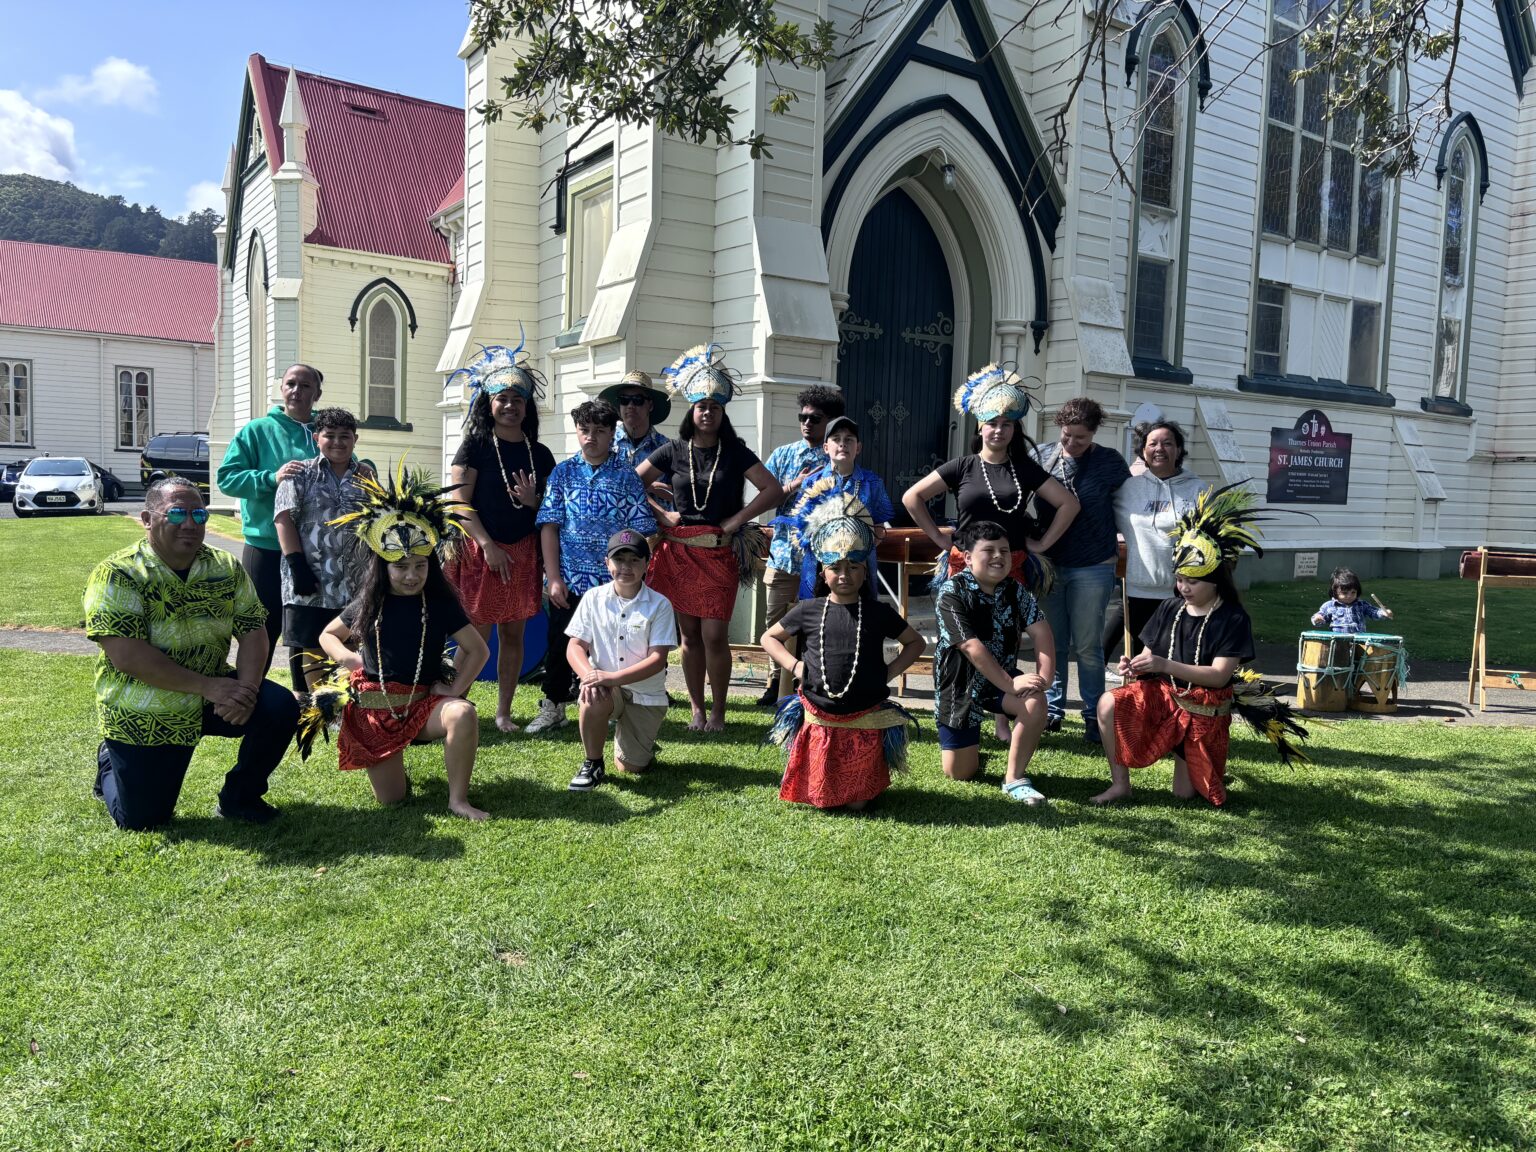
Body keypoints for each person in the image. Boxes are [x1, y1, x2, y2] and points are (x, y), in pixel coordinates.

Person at [84, 477, 299, 830]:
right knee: (142, 820)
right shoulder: (118, 573)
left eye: (199, 515)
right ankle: (110, 758)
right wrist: (210, 688)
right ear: (148, 519)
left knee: (278, 707)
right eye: (177, 513)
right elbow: (127, 655)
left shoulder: (224, 567)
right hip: (147, 705)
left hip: (213, 693)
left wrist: (244, 691)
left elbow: (253, 630)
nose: (189, 524)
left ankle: (240, 797)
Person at [318, 466, 491, 820]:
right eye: (401, 567)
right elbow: (327, 634)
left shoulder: (440, 604)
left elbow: (478, 650)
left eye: (420, 566)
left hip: (424, 705)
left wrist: (454, 690)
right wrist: (348, 658)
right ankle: (395, 770)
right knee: (392, 801)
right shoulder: (369, 603)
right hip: (376, 709)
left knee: (463, 713)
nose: (411, 575)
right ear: (384, 567)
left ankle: (458, 799)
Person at [1093, 485, 1281, 808]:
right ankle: (1119, 784)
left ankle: (1200, 764)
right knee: (1108, 703)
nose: (1183, 587)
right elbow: (1150, 653)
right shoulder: (1170, 607)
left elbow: (1220, 676)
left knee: (1185, 793)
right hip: (1166, 696)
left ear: (1216, 579)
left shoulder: (1233, 618)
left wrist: (1164, 666)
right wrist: (1136, 663)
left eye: (1192, 582)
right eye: (1180, 579)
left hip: (1204, 708)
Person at [635, 344, 784, 731]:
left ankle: (719, 710)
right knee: (689, 636)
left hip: (719, 552)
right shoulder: (673, 449)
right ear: (692, 410)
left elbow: (772, 489)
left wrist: (738, 518)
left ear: (722, 413)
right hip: (679, 551)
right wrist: (661, 512)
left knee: (715, 633)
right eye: (701, 406)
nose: (707, 412)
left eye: (714, 408)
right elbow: (633, 483)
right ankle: (697, 710)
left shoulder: (735, 451)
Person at [762, 483, 925, 811]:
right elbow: (770, 638)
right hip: (820, 713)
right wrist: (795, 667)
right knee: (822, 800)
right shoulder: (808, 610)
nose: (844, 574)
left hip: (864, 713)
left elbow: (915, 643)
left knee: (859, 804)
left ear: (865, 572)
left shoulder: (878, 612)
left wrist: (887, 672)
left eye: (853, 567)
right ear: (823, 571)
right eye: (836, 567)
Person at [444, 341, 557, 733]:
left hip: (524, 553)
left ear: (527, 406)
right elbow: (459, 504)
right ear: (488, 403)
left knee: (514, 633)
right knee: (476, 635)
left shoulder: (540, 454)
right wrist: (488, 545)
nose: (510, 406)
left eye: (517, 399)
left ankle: (503, 712)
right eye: (502, 398)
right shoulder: (474, 446)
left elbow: (551, 510)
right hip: (481, 550)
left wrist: (533, 501)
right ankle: (454, 703)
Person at [531, 399, 658, 734]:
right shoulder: (562, 473)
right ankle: (554, 705)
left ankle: (615, 708)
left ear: (612, 433)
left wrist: (631, 577)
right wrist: (553, 577)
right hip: (570, 580)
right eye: (584, 430)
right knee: (560, 645)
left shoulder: (626, 476)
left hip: (611, 584)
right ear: (576, 431)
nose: (591, 437)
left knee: (612, 648)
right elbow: (549, 526)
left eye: (600, 431)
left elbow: (643, 530)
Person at [902, 364, 1080, 595]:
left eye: (1006, 424)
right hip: (965, 564)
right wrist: (938, 537)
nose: (999, 430)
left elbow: (1069, 504)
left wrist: (1042, 544)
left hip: (1010, 566)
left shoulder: (1025, 469)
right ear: (980, 428)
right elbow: (911, 497)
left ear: (1014, 430)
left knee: (1006, 630)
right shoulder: (962, 466)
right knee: (963, 629)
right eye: (992, 423)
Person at [932, 521, 1057, 804]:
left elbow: (1041, 631)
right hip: (960, 685)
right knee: (960, 773)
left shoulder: (1015, 590)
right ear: (967, 557)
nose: (999, 556)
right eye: (989, 550)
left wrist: (1044, 679)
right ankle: (970, 751)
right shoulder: (951, 592)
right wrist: (1010, 683)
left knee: (1035, 700)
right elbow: (970, 646)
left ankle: (1014, 778)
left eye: (1004, 550)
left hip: (1001, 680)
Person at [216, 362, 324, 680]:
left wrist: (366, 467)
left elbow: (348, 461)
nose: (297, 391)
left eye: (305, 386)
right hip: (266, 546)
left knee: (305, 629)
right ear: (281, 390)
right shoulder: (258, 431)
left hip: (313, 551)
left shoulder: (324, 432)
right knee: (262, 627)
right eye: (291, 383)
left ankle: (309, 707)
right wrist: (270, 477)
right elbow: (227, 478)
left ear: (317, 394)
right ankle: (250, 695)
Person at [1031, 397, 1131, 741]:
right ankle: (1053, 710)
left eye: (1080, 439)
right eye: (1066, 436)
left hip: (1093, 564)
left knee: (1088, 645)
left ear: (1094, 434)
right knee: (1053, 642)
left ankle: (1093, 714)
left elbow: (1130, 503)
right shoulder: (1041, 456)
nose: (1071, 444)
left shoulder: (1109, 461)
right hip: (1048, 565)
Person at [564, 529, 680, 790]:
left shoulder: (660, 605)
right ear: (607, 563)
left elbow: (657, 659)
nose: (626, 567)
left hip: (645, 694)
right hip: (606, 686)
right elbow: (575, 646)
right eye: (619, 560)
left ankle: (636, 741)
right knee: (593, 692)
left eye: (634, 560)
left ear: (647, 565)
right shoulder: (593, 598)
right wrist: (589, 676)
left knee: (631, 767)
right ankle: (592, 762)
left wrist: (611, 677)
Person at [757, 386, 843, 705]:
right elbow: (765, 497)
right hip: (782, 555)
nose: (807, 423)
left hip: (822, 560)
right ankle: (774, 681)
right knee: (775, 620)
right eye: (802, 417)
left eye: (815, 418)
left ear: (830, 422)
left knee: (815, 623)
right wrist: (794, 485)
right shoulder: (783, 455)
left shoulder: (838, 458)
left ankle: (808, 680)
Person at [273, 407, 368, 692]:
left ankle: (348, 706)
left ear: (355, 439)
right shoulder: (298, 475)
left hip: (354, 579)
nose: (337, 442)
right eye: (330, 435)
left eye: (345, 436)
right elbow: (283, 519)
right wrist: (297, 565)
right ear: (317, 438)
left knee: (349, 641)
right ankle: (319, 706)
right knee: (313, 644)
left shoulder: (366, 476)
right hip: (310, 578)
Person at [1104, 420, 1206, 662]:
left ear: (1179, 450)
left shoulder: (1198, 489)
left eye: (1168, 443)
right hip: (1137, 591)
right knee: (1136, 660)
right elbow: (1099, 519)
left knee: (1171, 659)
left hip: (1179, 592)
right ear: (1143, 451)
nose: (1159, 448)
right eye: (1153, 443)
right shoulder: (1128, 488)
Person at [602, 370, 671, 468]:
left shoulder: (666, 448)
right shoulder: (605, 442)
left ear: (650, 405)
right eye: (624, 400)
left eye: (638, 400)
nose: (630, 406)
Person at [1311, 567, 1394, 633]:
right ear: (1335, 592)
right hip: (1338, 642)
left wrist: (1383, 613)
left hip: (1359, 641)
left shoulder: (1361, 605)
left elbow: (1373, 612)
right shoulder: (1329, 606)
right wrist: (1317, 618)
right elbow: (1320, 618)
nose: (1349, 596)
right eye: (1345, 593)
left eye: (1353, 592)